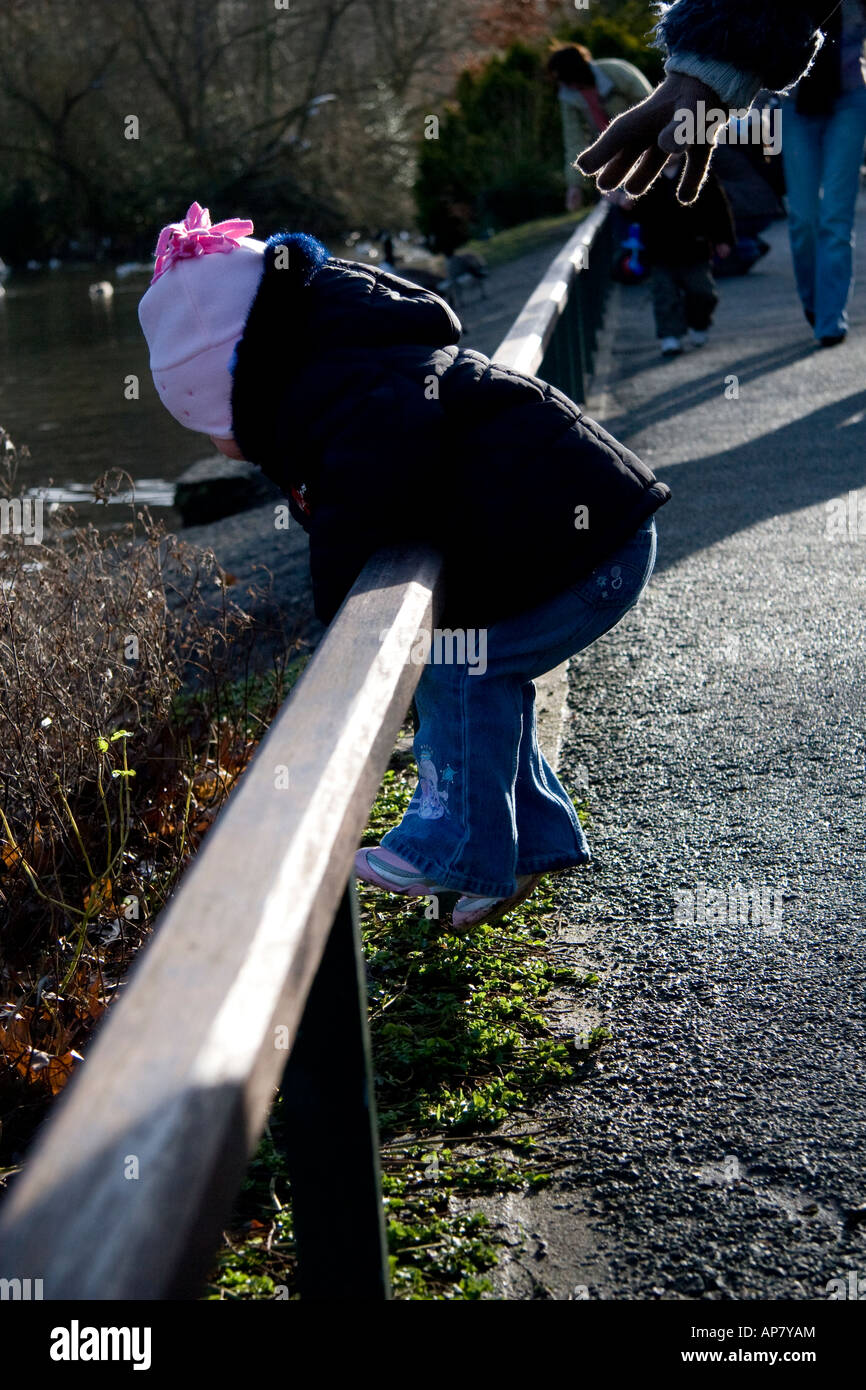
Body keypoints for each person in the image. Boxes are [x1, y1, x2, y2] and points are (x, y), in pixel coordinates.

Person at [138, 202, 670, 930]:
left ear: (245, 377)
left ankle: (454, 845)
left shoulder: (349, 391)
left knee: (461, 666)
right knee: (479, 668)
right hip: (582, 537)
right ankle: (529, 843)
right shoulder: (337, 358)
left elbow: (367, 497)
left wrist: (345, 624)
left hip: (591, 552)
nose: (222, 443)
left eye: (215, 421)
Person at [575, 2, 855, 208]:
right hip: (799, 102)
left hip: (850, 88)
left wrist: (709, 68)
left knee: (834, 214)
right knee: (809, 216)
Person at [634, 154, 735, 356]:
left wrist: (723, 238)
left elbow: (718, 206)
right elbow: (634, 211)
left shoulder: (698, 168)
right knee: (664, 294)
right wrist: (624, 204)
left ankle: (699, 323)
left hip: (694, 247)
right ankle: (670, 336)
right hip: (659, 250)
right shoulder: (644, 174)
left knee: (703, 292)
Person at [547, 43, 653, 212]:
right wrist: (574, 185)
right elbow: (574, 141)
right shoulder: (568, 97)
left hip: (645, 144)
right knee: (617, 205)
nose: (569, 86)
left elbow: (651, 106)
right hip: (611, 154)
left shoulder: (617, 72)